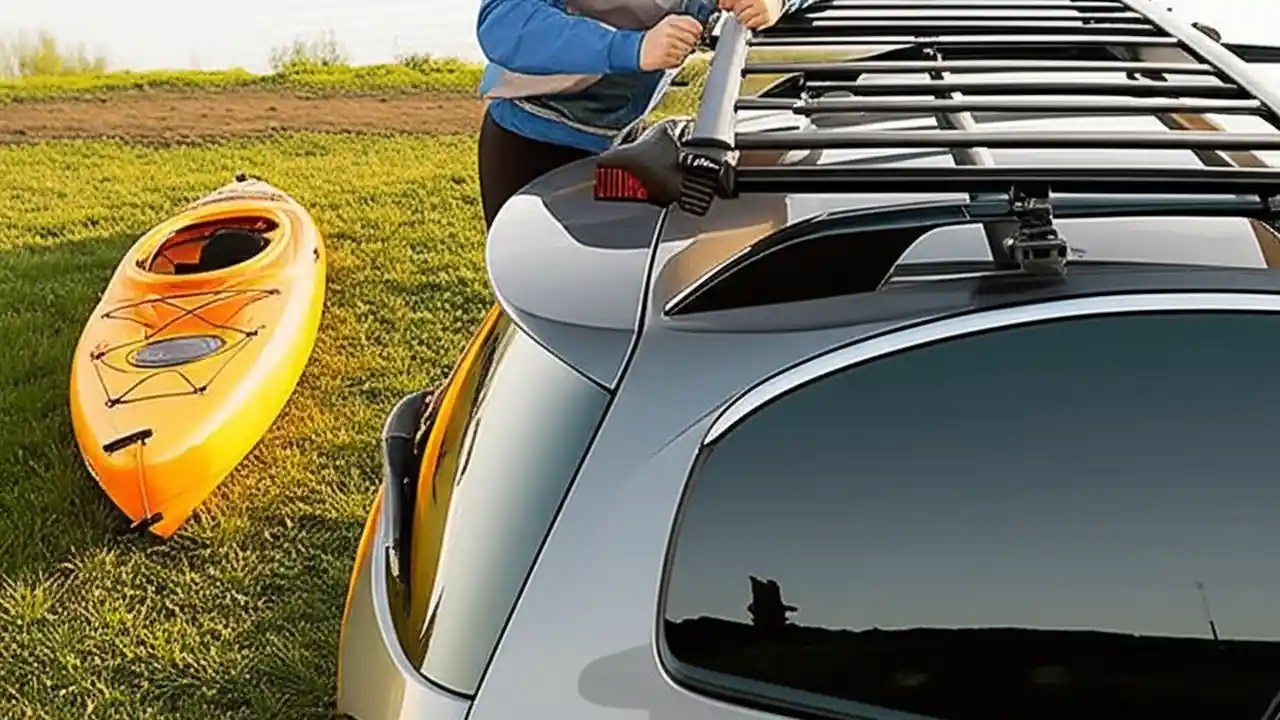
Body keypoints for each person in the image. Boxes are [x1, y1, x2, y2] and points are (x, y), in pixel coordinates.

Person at [474, 0, 816, 229]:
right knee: (538, 295)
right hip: (529, 144)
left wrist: (778, 1)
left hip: (623, 138)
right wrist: (630, 47)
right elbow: (503, 21)